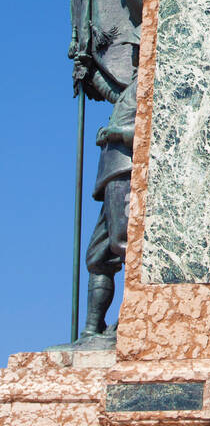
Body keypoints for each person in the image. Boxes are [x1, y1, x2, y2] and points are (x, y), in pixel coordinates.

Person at [79, 70, 138, 338]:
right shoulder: (135, 83)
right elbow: (117, 96)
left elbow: (155, 125)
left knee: (123, 244)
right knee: (99, 255)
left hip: (125, 171)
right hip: (112, 174)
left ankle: (133, 320)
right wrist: (90, 74)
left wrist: (117, 133)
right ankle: (93, 329)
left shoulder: (152, 77)